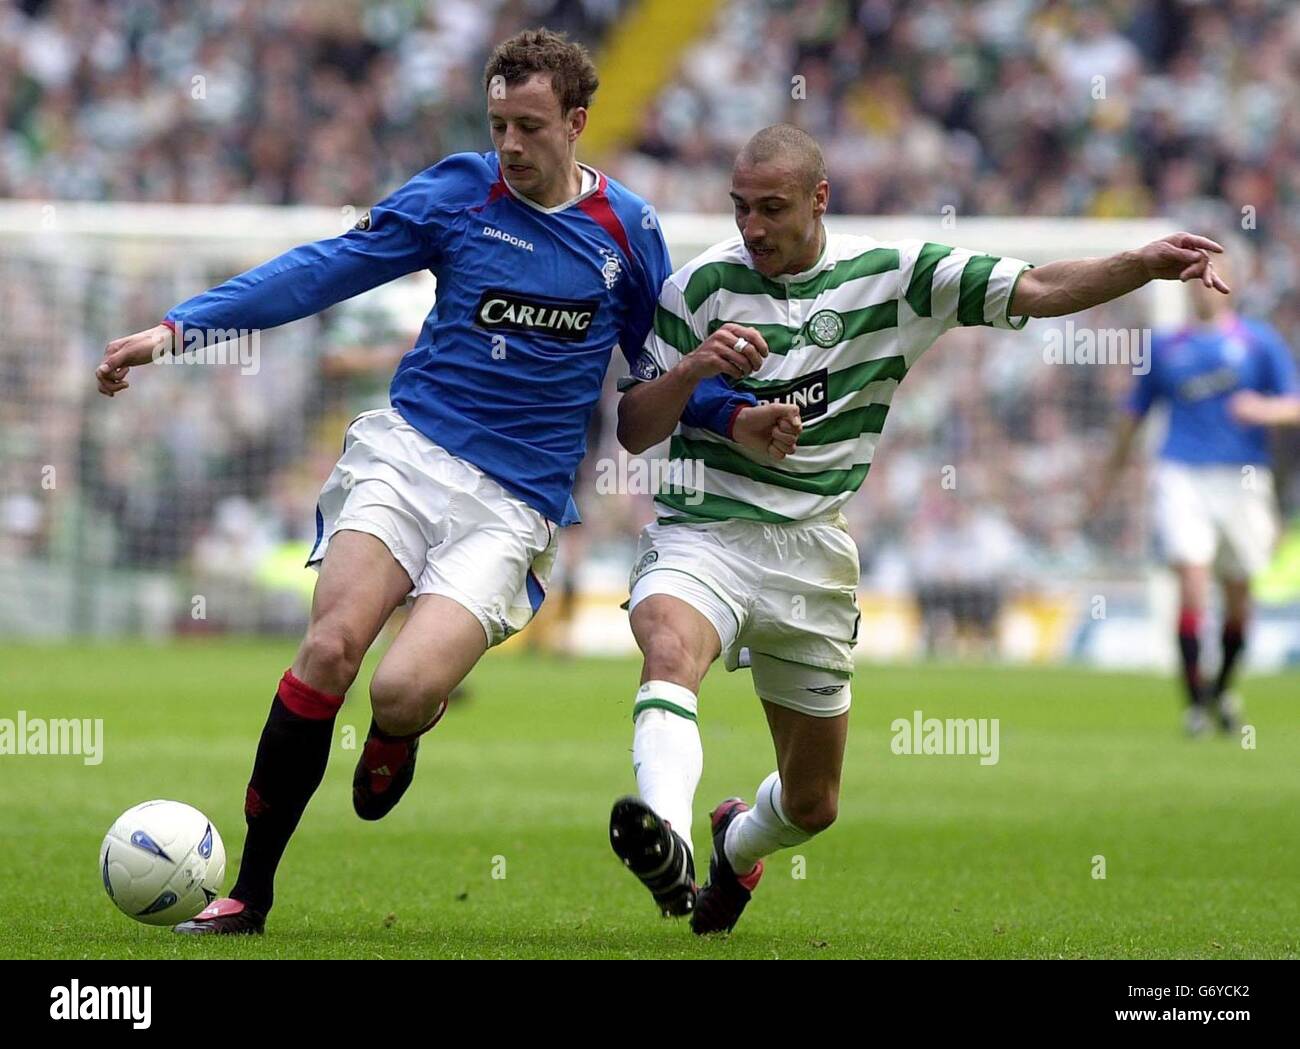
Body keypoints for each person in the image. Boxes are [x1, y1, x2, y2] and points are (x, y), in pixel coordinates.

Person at [93, 28, 742, 935]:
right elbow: (325, 269)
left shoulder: (626, 233)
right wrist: (179, 328)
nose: (510, 144)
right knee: (328, 653)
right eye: (497, 123)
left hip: (511, 506)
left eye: (529, 125)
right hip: (408, 456)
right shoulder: (457, 191)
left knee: (398, 691)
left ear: (578, 122)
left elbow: (660, 370)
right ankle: (252, 890)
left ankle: (397, 734)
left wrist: (740, 416)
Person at [606, 122, 1231, 934]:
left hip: (812, 552)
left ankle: (736, 840)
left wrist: (1141, 264)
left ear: (819, 198)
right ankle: (671, 844)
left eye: (772, 207)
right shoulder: (696, 287)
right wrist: (694, 369)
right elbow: (633, 428)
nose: (752, 227)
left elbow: (1035, 289)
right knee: (667, 646)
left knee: (812, 802)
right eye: (740, 208)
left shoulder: (893, 277)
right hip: (707, 531)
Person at [1094, 256, 1300, 735]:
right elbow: (1133, 417)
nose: (1203, 288)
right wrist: (1110, 477)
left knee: (1239, 594)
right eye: (1195, 279)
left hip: (1244, 478)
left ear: (1233, 286)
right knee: (1191, 576)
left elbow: (1293, 406)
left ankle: (1222, 690)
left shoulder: (1259, 342)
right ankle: (1193, 703)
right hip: (1181, 473)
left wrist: (1262, 411)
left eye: (1213, 280)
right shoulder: (1166, 347)